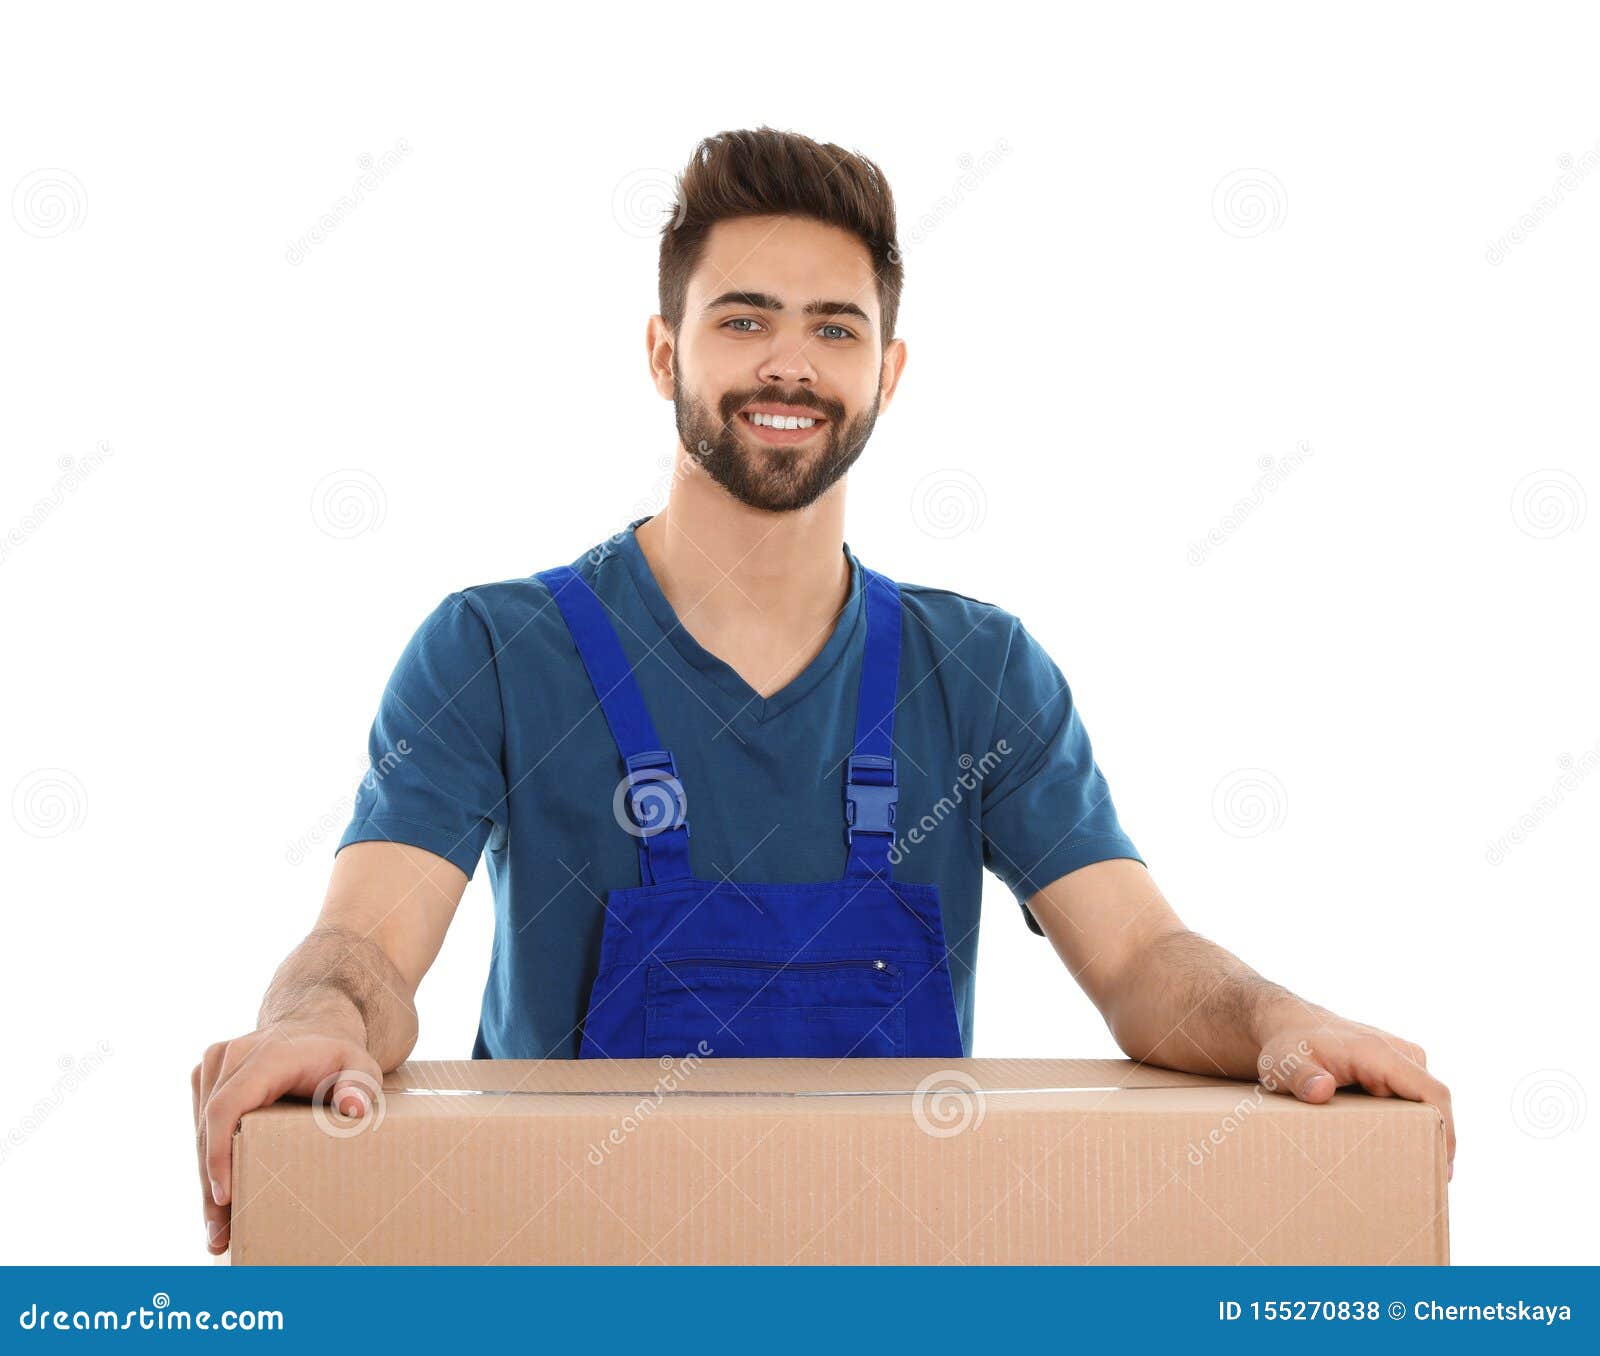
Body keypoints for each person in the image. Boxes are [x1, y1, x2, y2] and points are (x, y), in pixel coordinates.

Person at [193, 127, 1453, 1255]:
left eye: (832, 329)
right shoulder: (494, 651)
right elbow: (365, 948)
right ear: (660, 351)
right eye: (741, 320)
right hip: (568, 1278)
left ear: (888, 372)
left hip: (897, 1282)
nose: (787, 365)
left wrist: (1284, 1019)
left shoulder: (980, 672)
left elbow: (1143, 965)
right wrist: (316, 1021)